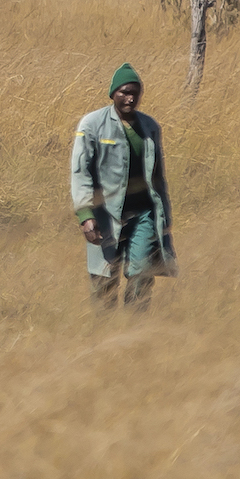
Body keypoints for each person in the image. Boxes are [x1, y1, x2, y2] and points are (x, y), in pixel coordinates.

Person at [72, 63, 176, 309]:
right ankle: (104, 334)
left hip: (143, 214)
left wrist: (164, 216)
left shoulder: (149, 126)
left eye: (135, 92)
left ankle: (134, 329)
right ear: (113, 94)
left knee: (142, 272)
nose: (130, 98)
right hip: (105, 214)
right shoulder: (92, 124)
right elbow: (80, 172)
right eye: (124, 92)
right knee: (104, 278)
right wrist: (85, 215)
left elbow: (158, 177)